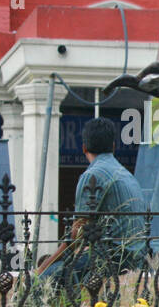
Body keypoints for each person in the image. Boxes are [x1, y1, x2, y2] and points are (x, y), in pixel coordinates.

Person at [40, 117, 147, 279]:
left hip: (114, 258)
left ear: (84, 148)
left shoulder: (92, 175)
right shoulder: (126, 174)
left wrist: (43, 267)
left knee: (46, 279)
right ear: (113, 147)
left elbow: (76, 234)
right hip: (137, 255)